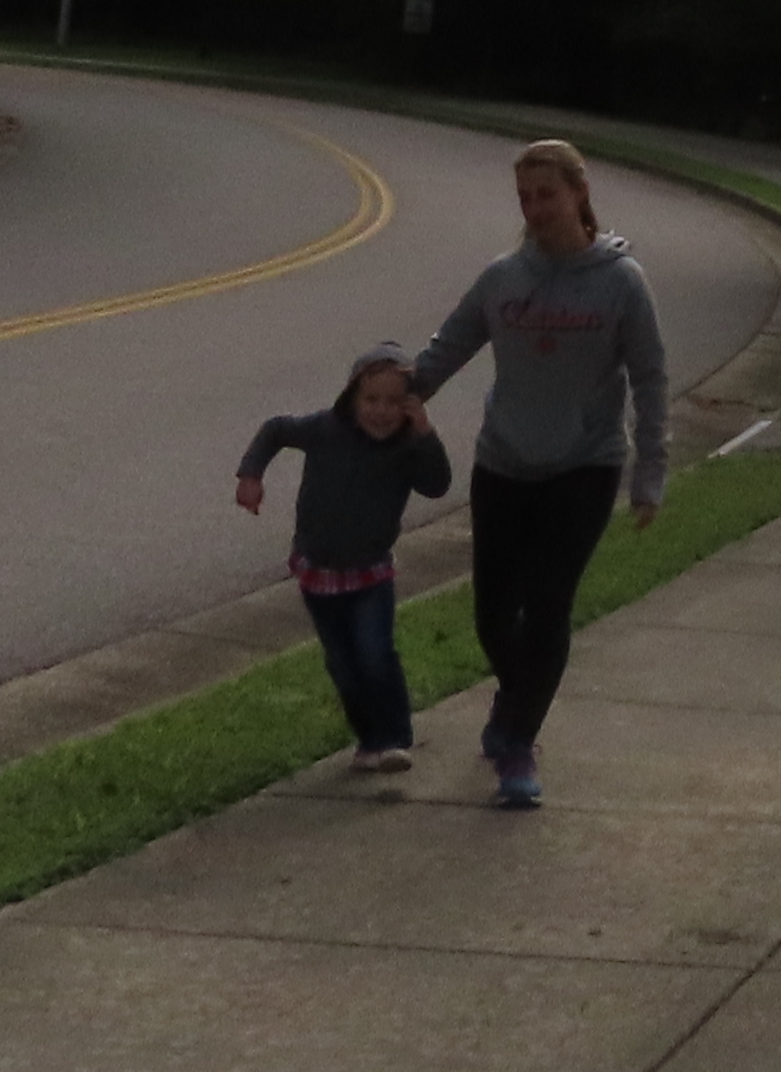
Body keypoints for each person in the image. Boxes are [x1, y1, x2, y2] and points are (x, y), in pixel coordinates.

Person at [405, 137, 669, 810]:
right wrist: (388, 403)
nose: (534, 208)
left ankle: (519, 744)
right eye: (524, 198)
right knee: (494, 615)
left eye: (546, 195)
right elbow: (447, 347)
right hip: (504, 462)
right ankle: (515, 694)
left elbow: (651, 378)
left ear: (579, 193)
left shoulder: (621, 282)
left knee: (548, 605)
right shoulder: (503, 278)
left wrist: (651, 472)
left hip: (585, 463)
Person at [234, 349, 455, 768]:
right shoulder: (325, 429)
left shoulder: (409, 447)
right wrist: (251, 474)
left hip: (370, 573)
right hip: (318, 573)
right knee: (343, 663)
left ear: (410, 405)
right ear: (352, 397)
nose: (382, 412)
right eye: (371, 400)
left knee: (375, 654)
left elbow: (438, 485)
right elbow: (276, 430)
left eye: (394, 402)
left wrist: (425, 433)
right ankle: (369, 741)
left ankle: (394, 737)